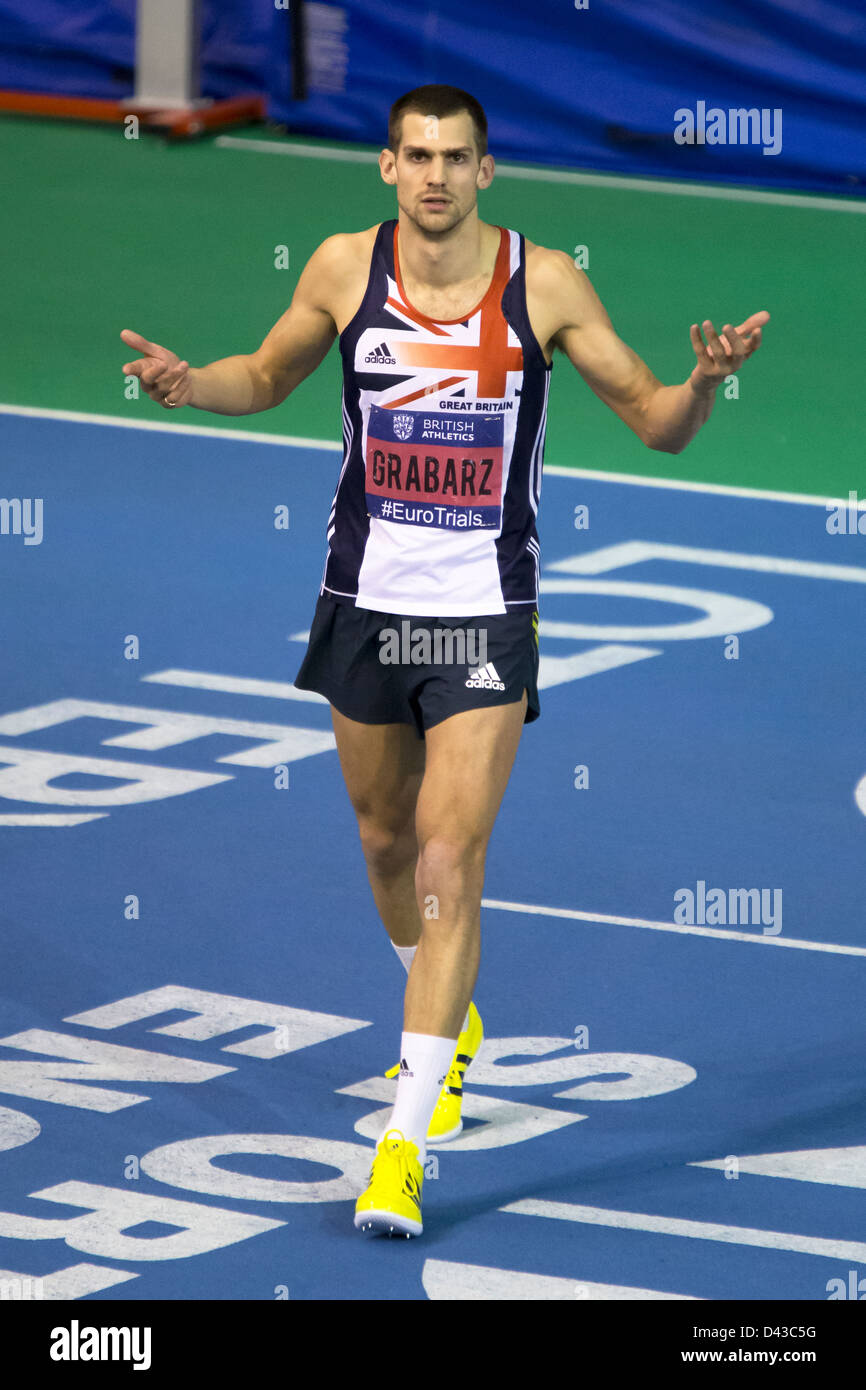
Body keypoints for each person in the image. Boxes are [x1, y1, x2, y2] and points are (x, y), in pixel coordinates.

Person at [120, 83, 769, 1239]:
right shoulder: (338, 267)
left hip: (482, 614)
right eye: (414, 154)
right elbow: (263, 375)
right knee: (381, 841)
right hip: (362, 598)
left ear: (485, 171)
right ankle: (450, 1018)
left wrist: (707, 382)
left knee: (445, 855)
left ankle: (400, 1149)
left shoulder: (545, 283)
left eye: (454, 157)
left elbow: (654, 420)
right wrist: (191, 384)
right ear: (385, 167)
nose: (433, 175)